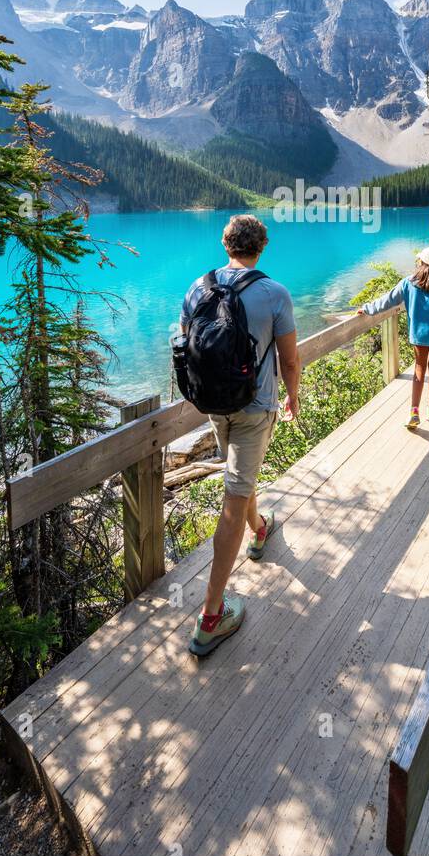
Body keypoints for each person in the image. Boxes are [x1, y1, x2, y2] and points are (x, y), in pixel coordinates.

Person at [181, 215, 300, 657]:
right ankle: (211, 616)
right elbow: (290, 360)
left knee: (240, 477)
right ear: (261, 247)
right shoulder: (274, 293)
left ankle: (260, 527)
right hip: (254, 409)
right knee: (234, 495)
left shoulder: (198, 286)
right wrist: (292, 398)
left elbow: (187, 343)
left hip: (215, 406)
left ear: (226, 243)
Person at [357, 246, 429, 430]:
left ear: (421, 263)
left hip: (419, 336)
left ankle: (414, 411)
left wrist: (368, 308)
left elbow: (387, 300)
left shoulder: (408, 283)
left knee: (419, 370)